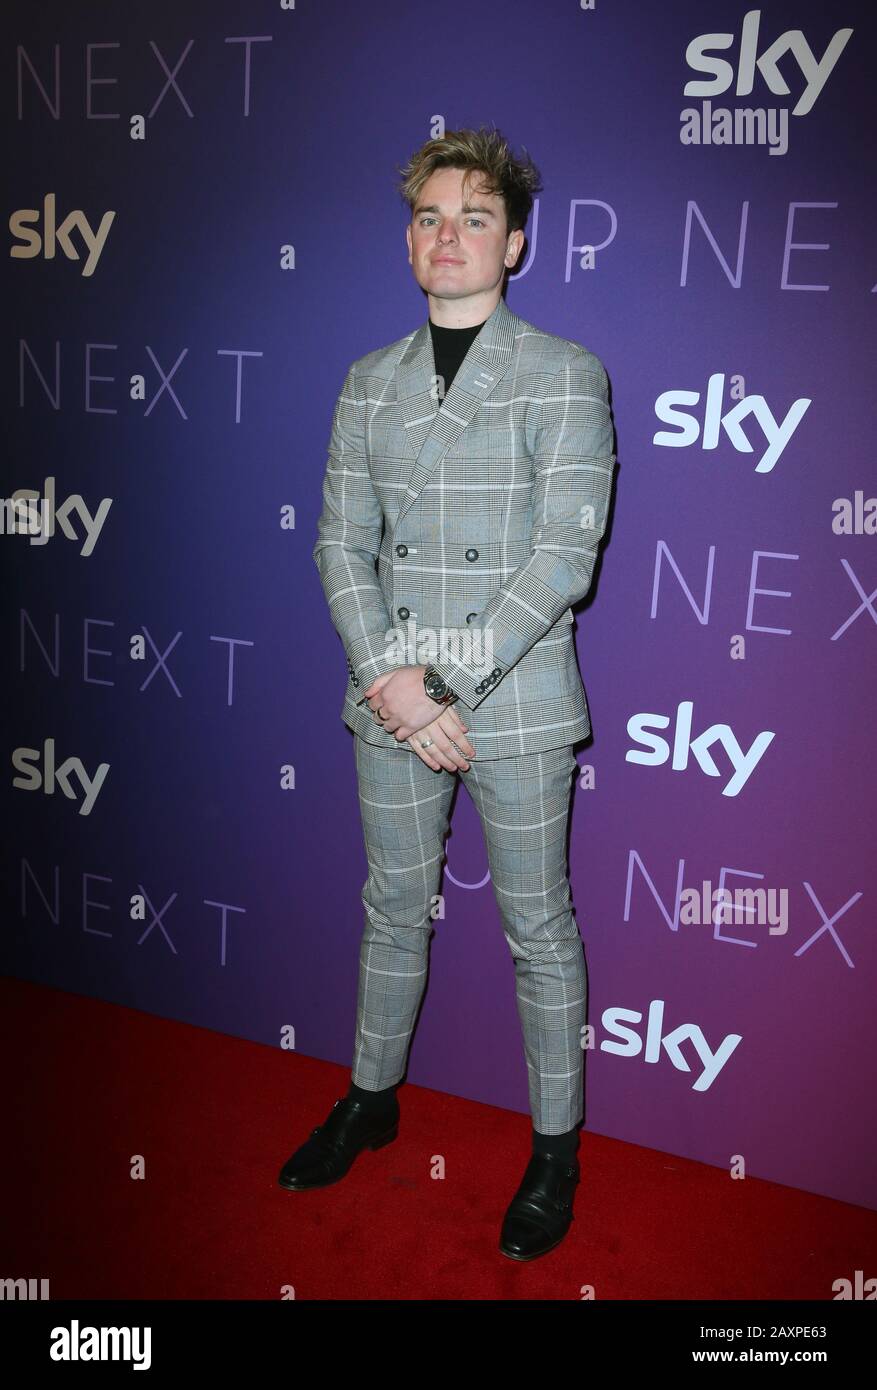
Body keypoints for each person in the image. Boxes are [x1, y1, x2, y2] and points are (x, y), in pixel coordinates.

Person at [278, 125, 617, 1262]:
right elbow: (338, 544)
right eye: (428, 217)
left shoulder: (565, 372)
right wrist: (388, 681)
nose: (448, 236)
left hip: (505, 700)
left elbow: (564, 558)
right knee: (389, 908)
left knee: (536, 927)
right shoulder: (366, 382)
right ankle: (372, 1100)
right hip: (390, 699)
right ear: (407, 241)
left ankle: (557, 1146)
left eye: (475, 217)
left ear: (514, 241)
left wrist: (439, 684)